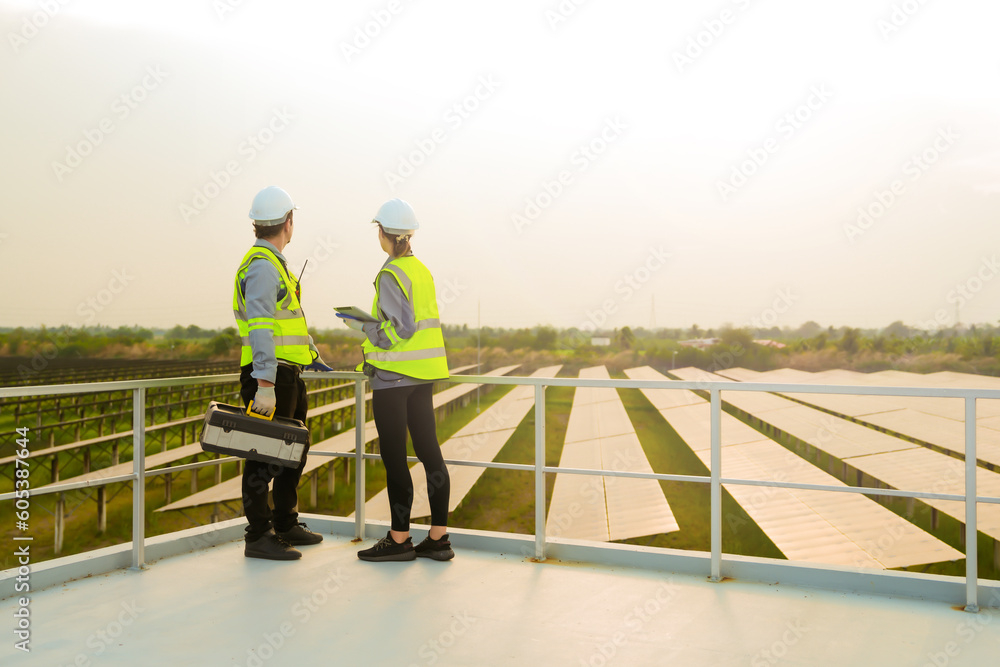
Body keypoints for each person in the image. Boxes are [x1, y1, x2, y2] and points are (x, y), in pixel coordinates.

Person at [339, 198, 453, 562]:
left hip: (393, 379)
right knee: (430, 451)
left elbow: (397, 331)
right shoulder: (421, 270)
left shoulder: (390, 274)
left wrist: (361, 325)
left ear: (383, 234)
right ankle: (438, 538)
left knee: (394, 457)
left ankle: (400, 539)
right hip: (424, 376)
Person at [233, 185, 331, 560]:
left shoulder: (273, 264)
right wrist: (264, 384)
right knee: (262, 455)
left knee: (293, 451)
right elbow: (259, 328)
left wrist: (309, 353)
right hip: (271, 378)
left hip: (288, 373)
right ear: (288, 223)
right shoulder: (261, 266)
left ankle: (285, 521)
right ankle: (259, 534)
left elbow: (282, 324)